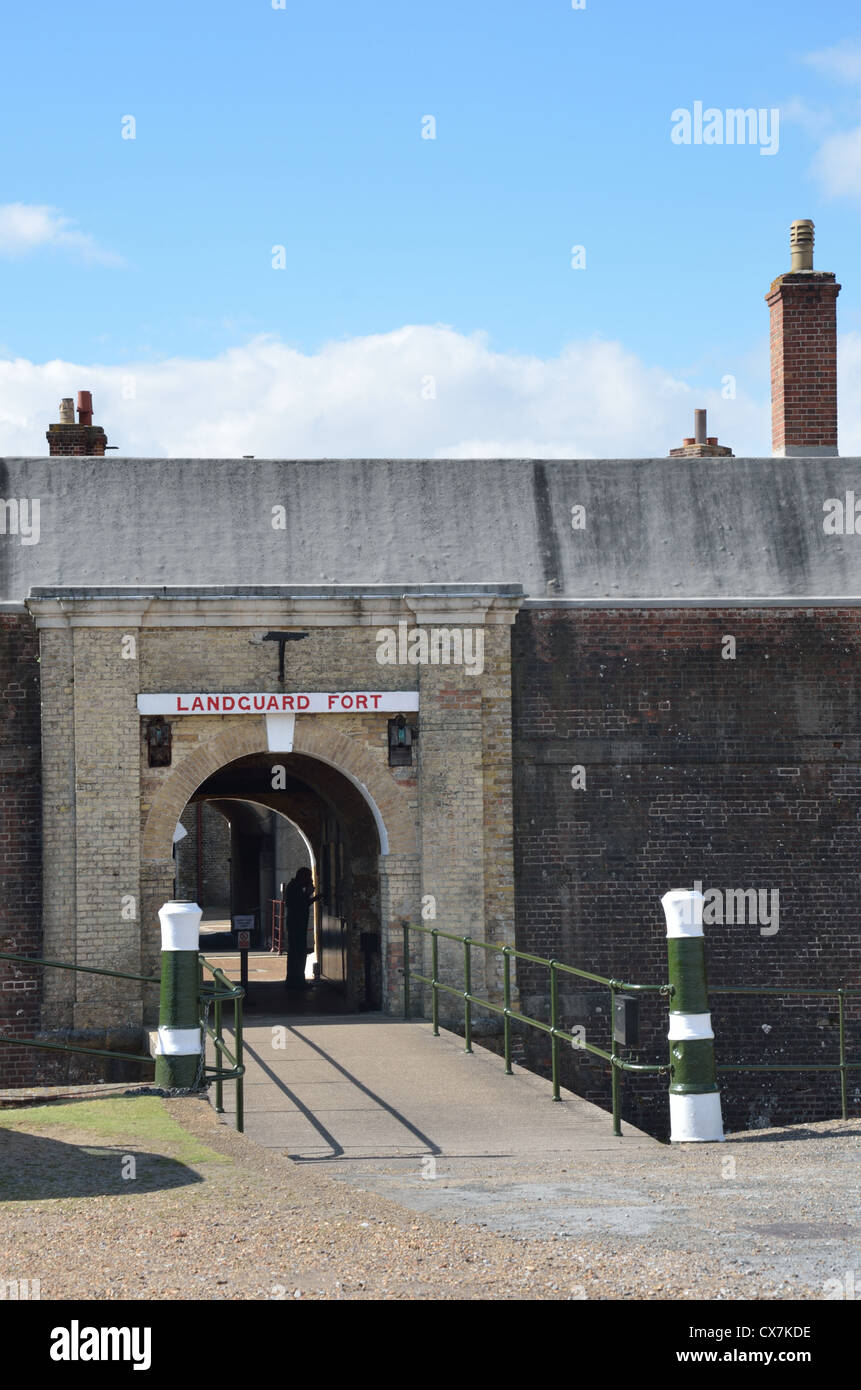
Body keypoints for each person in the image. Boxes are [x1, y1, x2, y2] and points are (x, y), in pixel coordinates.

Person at [284, 866, 321, 989]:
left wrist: (313, 897)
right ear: (303, 876)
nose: (310, 879)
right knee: (297, 952)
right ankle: (296, 980)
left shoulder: (296, 886)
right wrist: (308, 894)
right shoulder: (294, 887)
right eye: (308, 877)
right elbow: (297, 904)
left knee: (298, 952)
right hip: (296, 924)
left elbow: (302, 903)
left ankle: (296, 979)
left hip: (297, 923)